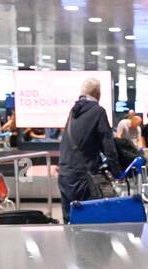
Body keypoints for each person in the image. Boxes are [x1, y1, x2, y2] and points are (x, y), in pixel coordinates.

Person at [57, 76, 117, 220]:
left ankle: (70, 242)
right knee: (89, 221)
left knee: (70, 219)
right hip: (83, 177)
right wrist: (116, 171)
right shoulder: (98, 111)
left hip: (65, 174)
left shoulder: (73, 111)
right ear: (98, 94)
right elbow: (107, 144)